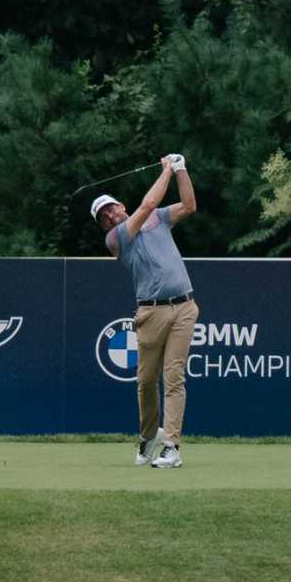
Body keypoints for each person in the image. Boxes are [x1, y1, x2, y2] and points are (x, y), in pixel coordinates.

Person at [93, 154, 198, 471]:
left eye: (111, 209)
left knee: (174, 377)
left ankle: (172, 447)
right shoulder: (116, 238)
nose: (109, 217)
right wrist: (167, 168)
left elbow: (189, 205)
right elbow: (147, 205)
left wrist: (181, 170)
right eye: (102, 217)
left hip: (184, 306)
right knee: (146, 380)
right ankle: (149, 436)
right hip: (150, 313)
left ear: (120, 205)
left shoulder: (160, 218)